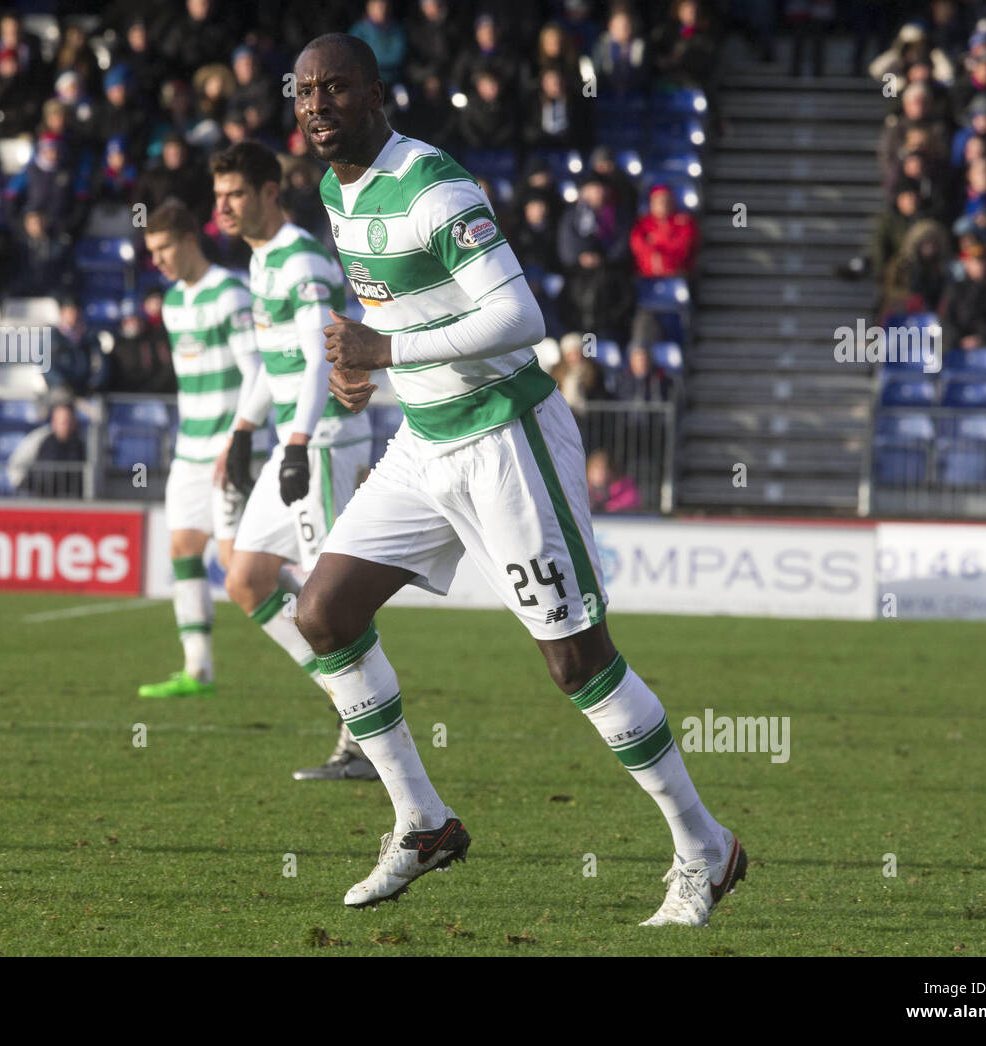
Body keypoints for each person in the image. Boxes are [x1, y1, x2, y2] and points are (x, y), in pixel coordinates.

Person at [291, 33, 744, 925]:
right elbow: (398, 306)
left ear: (377, 95)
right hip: (423, 444)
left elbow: (519, 314)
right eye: (303, 91)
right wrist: (368, 366)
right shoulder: (335, 190)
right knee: (323, 613)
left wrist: (387, 348)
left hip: (507, 439)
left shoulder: (434, 184)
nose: (316, 105)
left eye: (335, 88)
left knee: (576, 661)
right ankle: (420, 820)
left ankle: (705, 845)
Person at [214, 140, 378, 782]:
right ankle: (351, 701)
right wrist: (244, 428)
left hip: (323, 442)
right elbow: (274, 362)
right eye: (218, 195)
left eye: (235, 195)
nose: (223, 206)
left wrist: (300, 441)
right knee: (246, 578)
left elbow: (318, 359)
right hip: (292, 439)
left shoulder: (302, 259)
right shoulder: (260, 262)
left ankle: (364, 739)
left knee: (327, 597)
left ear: (268, 193)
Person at [136, 199, 258, 701]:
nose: (158, 260)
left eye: (164, 248)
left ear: (190, 240)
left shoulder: (230, 292)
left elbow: (258, 370)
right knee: (183, 551)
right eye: (151, 251)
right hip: (189, 450)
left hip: (228, 447)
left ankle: (332, 652)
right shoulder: (172, 304)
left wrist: (239, 438)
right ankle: (198, 669)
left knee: (240, 570)